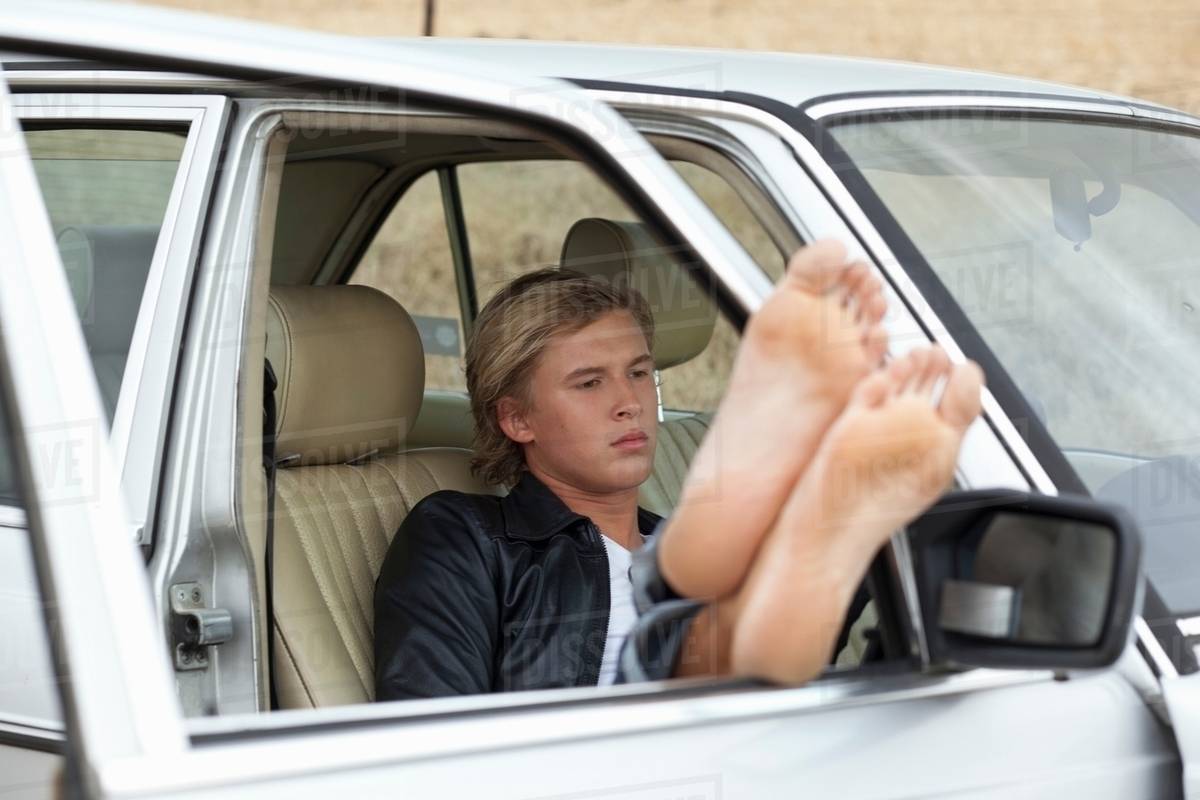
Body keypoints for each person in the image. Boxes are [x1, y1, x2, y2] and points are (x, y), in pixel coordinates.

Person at [373, 240, 983, 700]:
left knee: (756, 620)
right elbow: (431, 735)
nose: (629, 401)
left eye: (639, 372)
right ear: (516, 420)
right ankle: (814, 520)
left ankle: (821, 529)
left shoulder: (674, 541)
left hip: (752, 754)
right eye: (589, 383)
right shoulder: (465, 536)